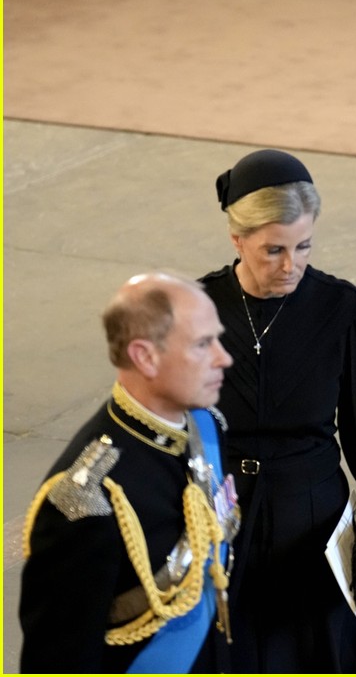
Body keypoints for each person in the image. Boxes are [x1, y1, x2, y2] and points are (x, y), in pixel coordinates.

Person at [203, 148, 356, 672]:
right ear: (237, 239)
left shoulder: (342, 314)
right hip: (219, 531)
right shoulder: (196, 311)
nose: (291, 266)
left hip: (313, 534)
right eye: (273, 250)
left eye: (303, 246)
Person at [20, 273, 238, 672]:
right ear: (145, 357)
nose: (224, 357)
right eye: (204, 344)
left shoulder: (205, 427)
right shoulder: (86, 501)